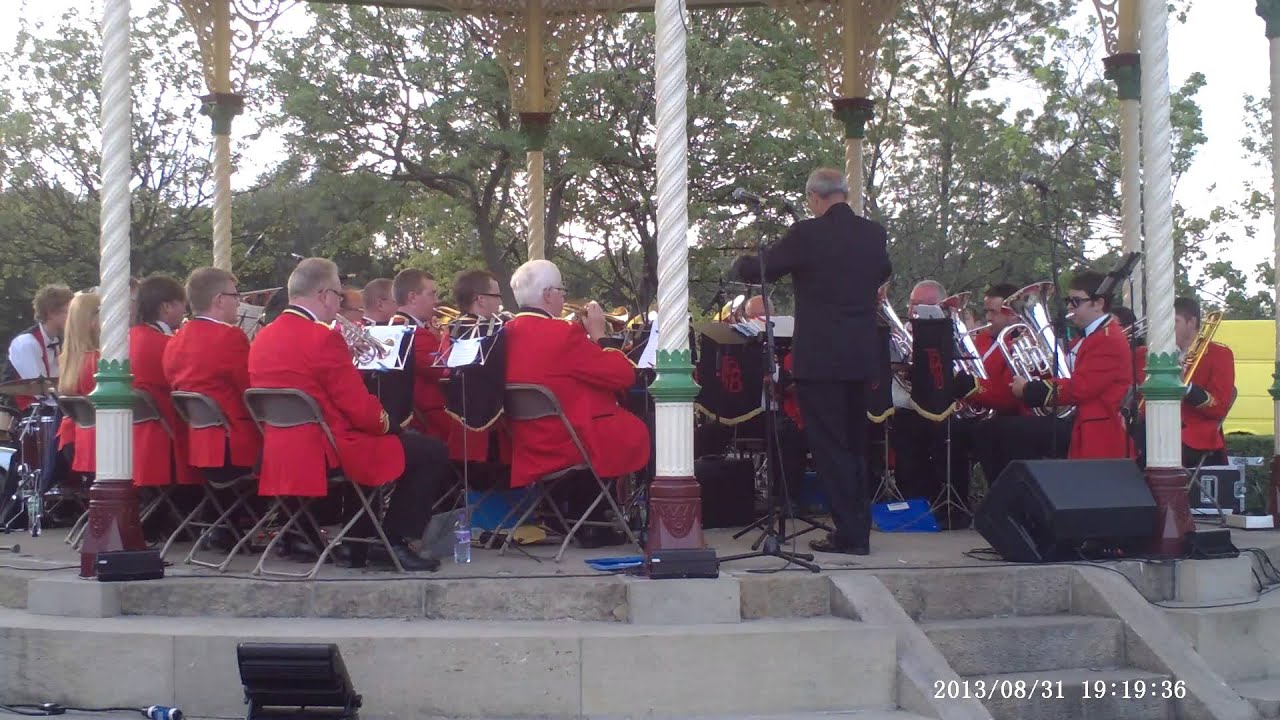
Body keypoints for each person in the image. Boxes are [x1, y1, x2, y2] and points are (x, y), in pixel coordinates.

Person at [732, 167, 892, 555]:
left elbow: (763, 269)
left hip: (821, 359)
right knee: (855, 444)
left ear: (815, 198)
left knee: (830, 447)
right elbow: (883, 271)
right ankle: (859, 529)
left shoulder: (808, 233)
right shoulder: (873, 234)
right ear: (843, 194)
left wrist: (740, 262)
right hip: (860, 356)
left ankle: (849, 535)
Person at [248, 257, 445, 571]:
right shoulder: (322, 337)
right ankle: (392, 541)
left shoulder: (264, 337)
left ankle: (357, 544)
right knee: (428, 450)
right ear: (324, 295)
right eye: (338, 295)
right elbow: (359, 410)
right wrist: (390, 424)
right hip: (325, 448)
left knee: (380, 442)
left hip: (280, 446)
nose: (339, 303)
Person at [504, 259, 649, 547]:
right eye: (561, 291)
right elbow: (621, 375)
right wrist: (599, 335)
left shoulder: (506, 331)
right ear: (547, 295)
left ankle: (579, 517)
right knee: (643, 425)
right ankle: (640, 519)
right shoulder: (564, 333)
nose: (564, 298)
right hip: (567, 440)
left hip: (527, 440)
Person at [1013, 270, 1133, 459]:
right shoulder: (1098, 335)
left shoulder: (1107, 338)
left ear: (1098, 304)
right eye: (1068, 301)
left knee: (1008, 433)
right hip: (1087, 426)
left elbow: (1081, 387)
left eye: (1076, 302)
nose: (1069, 307)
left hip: (1099, 433)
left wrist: (1029, 389)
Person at [888, 280, 972, 529]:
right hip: (911, 406)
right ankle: (914, 504)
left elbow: (963, 374)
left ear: (938, 307)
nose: (913, 310)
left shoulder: (954, 335)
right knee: (904, 429)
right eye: (912, 304)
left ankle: (951, 508)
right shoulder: (902, 334)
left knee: (949, 435)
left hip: (949, 407)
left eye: (921, 305)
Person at [162, 267, 262, 478]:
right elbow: (252, 393)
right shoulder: (230, 337)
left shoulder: (175, 341)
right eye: (235, 295)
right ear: (219, 300)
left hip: (199, 448)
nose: (238, 302)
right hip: (237, 447)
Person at [1135, 297, 1234, 468]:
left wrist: (1186, 387)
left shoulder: (1219, 354)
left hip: (1192, 434)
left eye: (1174, 322)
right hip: (1153, 428)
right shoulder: (1149, 354)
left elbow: (1219, 407)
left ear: (1192, 322)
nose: (1166, 329)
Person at [131, 275, 199, 489]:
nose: (185, 310)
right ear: (166, 307)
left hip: (137, 437)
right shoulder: (167, 344)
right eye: (182, 304)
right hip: (169, 435)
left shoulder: (128, 338)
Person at [441, 269, 511, 465]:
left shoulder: (452, 329)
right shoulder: (500, 332)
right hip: (494, 429)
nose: (500, 301)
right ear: (481, 299)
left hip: (460, 427)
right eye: (496, 295)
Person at [389, 269, 450, 440]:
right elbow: (444, 368)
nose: (436, 300)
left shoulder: (392, 326)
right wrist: (446, 337)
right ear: (412, 297)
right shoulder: (416, 334)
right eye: (432, 294)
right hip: (429, 420)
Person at [4, 284, 73, 409]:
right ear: (51, 313)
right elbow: (41, 390)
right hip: (15, 413)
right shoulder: (26, 343)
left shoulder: (55, 341)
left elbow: (54, 385)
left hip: (42, 409)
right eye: (69, 312)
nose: (73, 318)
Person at [56, 292, 101, 476]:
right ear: (92, 321)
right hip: (97, 442)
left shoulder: (68, 358)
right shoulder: (98, 360)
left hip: (73, 438)